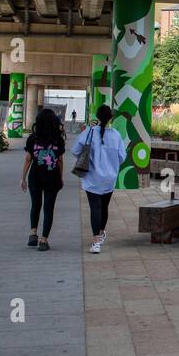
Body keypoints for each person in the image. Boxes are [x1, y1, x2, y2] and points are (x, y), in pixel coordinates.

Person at [72, 105, 126, 253]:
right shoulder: (115, 135)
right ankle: (101, 233)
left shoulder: (89, 132)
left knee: (95, 207)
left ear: (97, 116)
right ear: (111, 118)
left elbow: (75, 150)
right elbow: (122, 157)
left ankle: (96, 241)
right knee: (104, 206)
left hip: (92, 177)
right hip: (110, 178)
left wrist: (88, 159)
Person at [21, 108, 65, 252]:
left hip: (35, 176)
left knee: (35, 204)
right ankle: (44, 240)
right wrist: (61, 177)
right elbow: (59, 161)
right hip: (52, 177)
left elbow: (28, 159)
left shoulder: (32, 138)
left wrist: (23, 178)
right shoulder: (58, 139)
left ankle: (33, 233)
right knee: (48, 208)